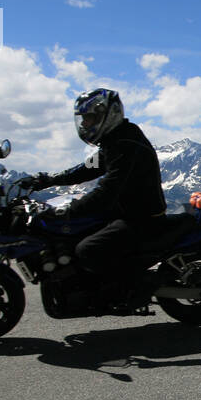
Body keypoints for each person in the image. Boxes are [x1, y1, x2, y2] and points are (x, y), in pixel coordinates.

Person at [29, 88, 166, 305]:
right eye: (83, 119)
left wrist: (68, 209)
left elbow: (107, 191)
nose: (84, 125)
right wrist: (47, 179)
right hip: (123, 212)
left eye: (89, 118)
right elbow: (87, 168)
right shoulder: (115, 141)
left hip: (141, 217)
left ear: (107, 114)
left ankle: (128, 290)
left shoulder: (126, 145)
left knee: (87, 250)